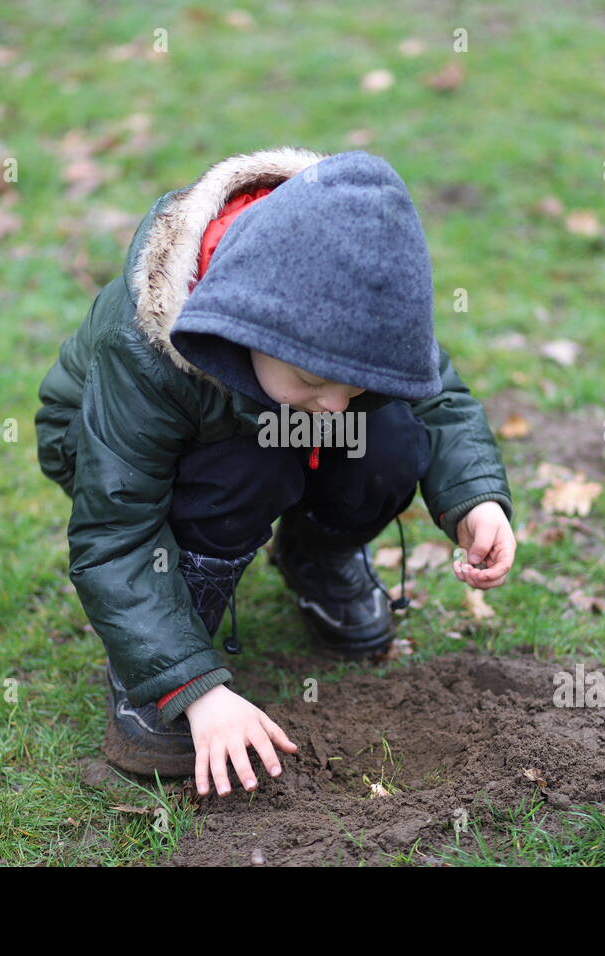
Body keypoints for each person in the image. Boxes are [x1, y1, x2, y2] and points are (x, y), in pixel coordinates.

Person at [35, 148, 516, 797]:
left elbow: (436, 401)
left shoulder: (359, 301)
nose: (336, 406)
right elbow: (114, 530)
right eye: (314, 379)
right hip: (118, 456)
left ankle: (317, 557)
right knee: (246, 468)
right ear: (244, 327)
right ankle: (172, 633)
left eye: (355, 386)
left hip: (261, 422)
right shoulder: (144, 352)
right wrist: (193, 688)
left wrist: (476, 500)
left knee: (388, 438)